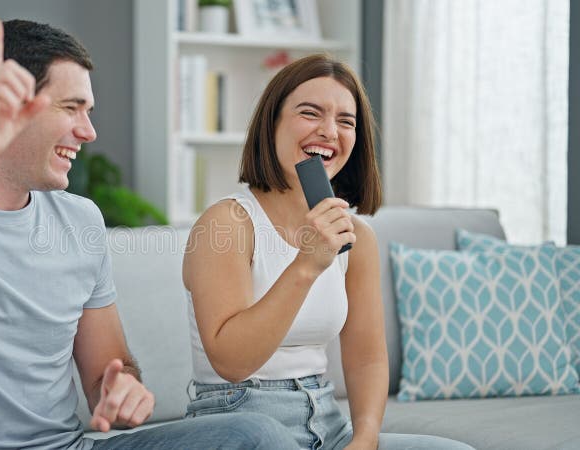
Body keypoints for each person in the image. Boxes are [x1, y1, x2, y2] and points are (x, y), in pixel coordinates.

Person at [0, 19, 297, 450]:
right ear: (7, 109)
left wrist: (119, 388)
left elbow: (105, 370)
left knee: (254, 435)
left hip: (66, 448)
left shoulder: (80, 221)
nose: (89, 131)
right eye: (71, 108)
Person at [182, 54, 475, 450]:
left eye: (345, 121)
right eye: (310, 113)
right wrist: (307, 263)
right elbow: (231, 362)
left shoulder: (357, 237)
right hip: (240, 422)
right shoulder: (226, 223)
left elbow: (367, 359)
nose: (329, 131)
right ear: (272, 124)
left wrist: (366, 438)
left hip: (326, 422)